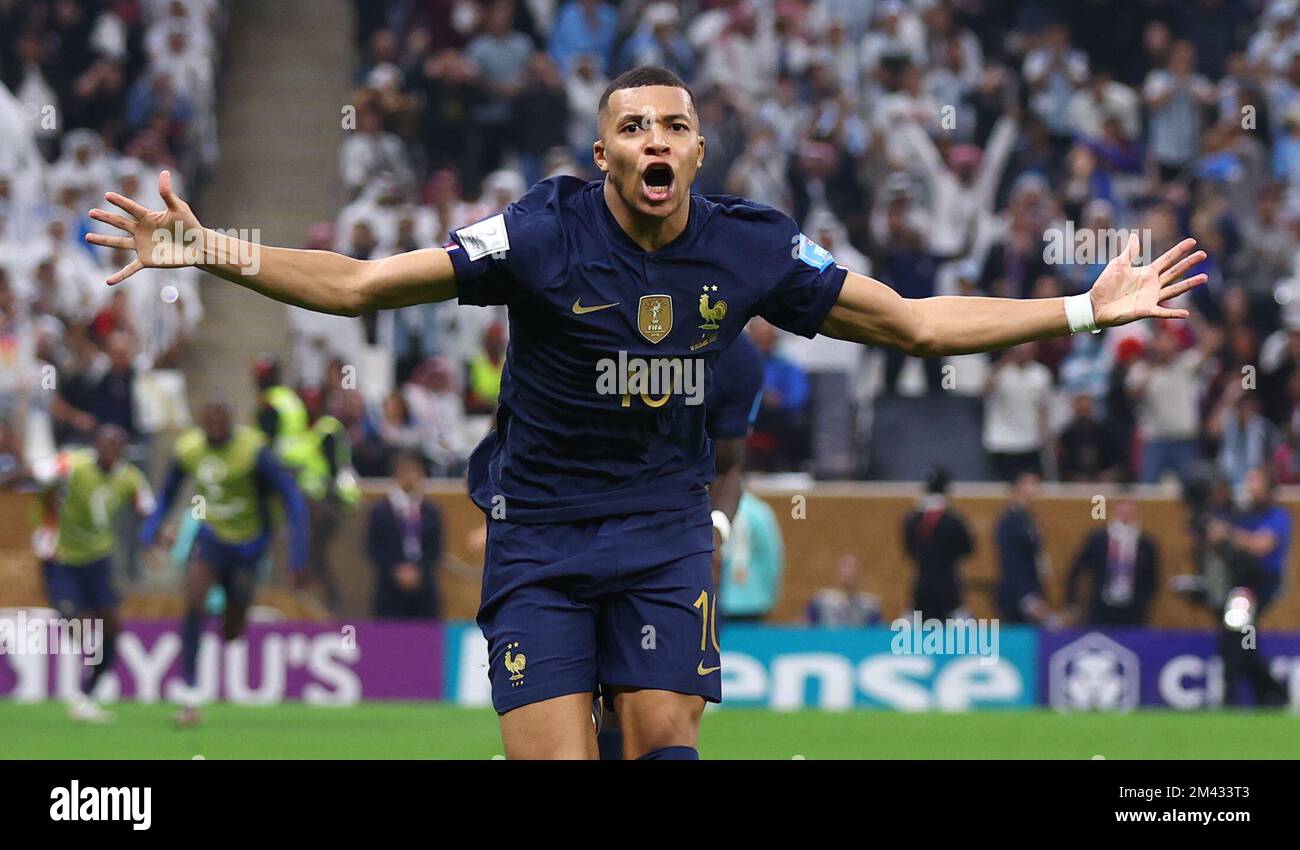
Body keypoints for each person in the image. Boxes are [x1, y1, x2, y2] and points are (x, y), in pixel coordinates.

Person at [89, 66, 1207, 759]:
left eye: (674, 125)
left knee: (667, 734)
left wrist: (1077, 308)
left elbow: (911, 323)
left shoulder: (751, 244)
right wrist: (209, 247)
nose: (656, 141)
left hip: (664, 531)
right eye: (634, 127)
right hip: (536, 537)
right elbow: (364, 284)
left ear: (697, 150)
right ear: (605, 154)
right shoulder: (538, 234)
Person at [140, 400, 309, 727]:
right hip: (211, 537)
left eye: (222, 419)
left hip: (249, 545)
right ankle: (189, 688)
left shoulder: (253, 450)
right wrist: (150, 532)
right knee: (193, 599)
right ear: (202, 422)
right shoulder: (189, 448)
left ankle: (233, 618)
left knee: (232, 628)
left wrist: (298, 556)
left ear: (232, 420)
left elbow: (290, 497)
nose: (216, 425)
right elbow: (168, 492)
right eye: (210, 419)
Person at [32, 425, 155, 723]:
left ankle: (87, 695)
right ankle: (80, 682)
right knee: (81, 625)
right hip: (60, 556)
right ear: (95, 446)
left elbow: (148, 510)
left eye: (115, 445)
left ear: (122, 450)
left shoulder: (130, 478)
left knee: (112, 626)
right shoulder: (74, 464)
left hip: (98, 558)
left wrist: (154, 539)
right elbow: (38, 474)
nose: (109, 450)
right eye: (104, 444)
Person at [366, 451, 443, 619]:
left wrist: (419, 570)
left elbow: (436, 548)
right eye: (406, 471)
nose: (412, 476)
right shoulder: (380, 511)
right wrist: (396, 569)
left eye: (416, 471)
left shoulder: (431, 511)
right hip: (390, 588)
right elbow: (373, 547)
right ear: (396, 474)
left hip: (424, 588)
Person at [1065, 492, 1159, 626]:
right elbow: (1076, 569)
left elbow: (1152, 579)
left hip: (1133, 612)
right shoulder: (1098, 538)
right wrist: (1072, 601)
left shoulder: (1146, 543)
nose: (1126, 509)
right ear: (1115, 507)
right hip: (1101, 609)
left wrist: (1142, 602)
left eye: (1130, 505)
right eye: (1122, 504)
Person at [902, 467, 974, 621]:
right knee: (962, 641)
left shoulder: (911, 521)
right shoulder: (954, 521)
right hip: (949, 593)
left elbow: (910, 550)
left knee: (917, 640)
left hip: (921, 590)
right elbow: (968, 549)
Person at [995, 471, 1057, 626]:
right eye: (1031, 484)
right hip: (1017, 595)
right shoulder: (1010, 521)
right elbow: (1011, 562)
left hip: (1032, 588)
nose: (1036, 489)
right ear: (1019, 487)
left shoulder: (1028, 518)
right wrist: (1026, 597)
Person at [806, 554, 881, 626]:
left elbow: (877, 633)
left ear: (860, 572)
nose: (849, 572)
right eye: (845, 567)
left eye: (854, 568)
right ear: (837, 571)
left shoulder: (870, 605)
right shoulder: (821, 600)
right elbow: (805, 628)